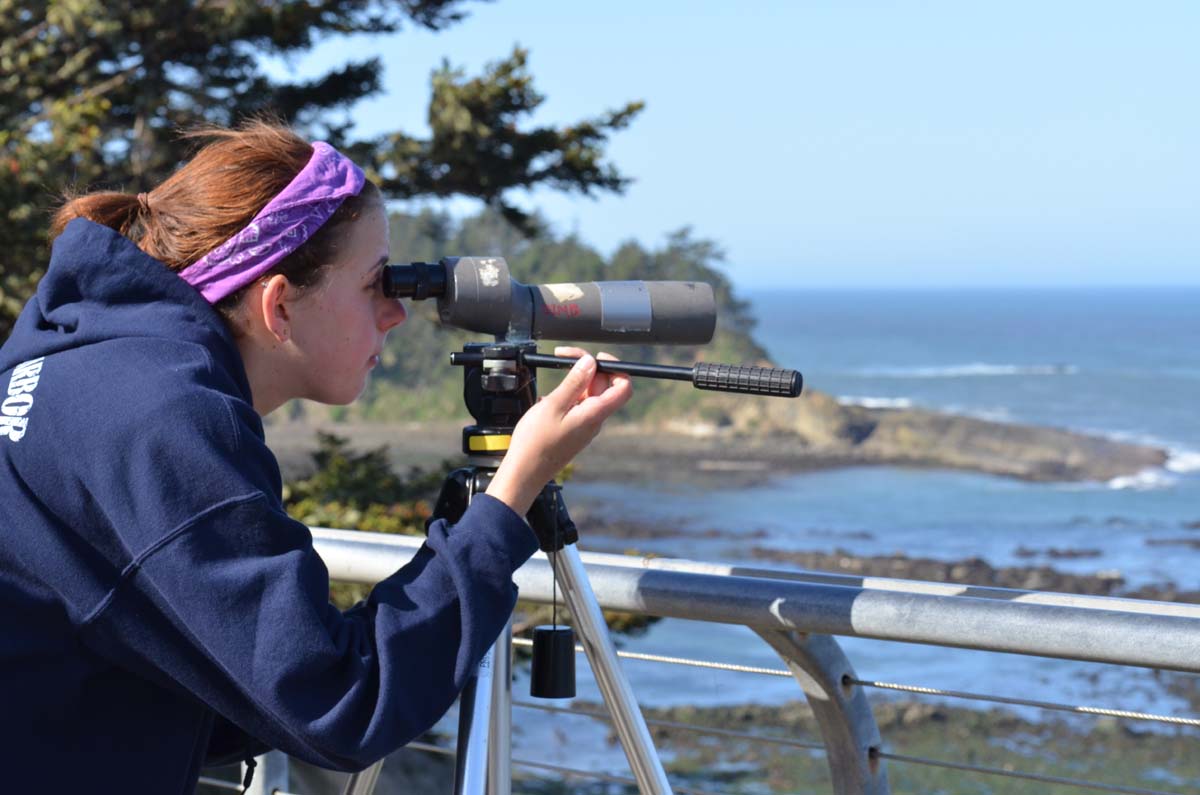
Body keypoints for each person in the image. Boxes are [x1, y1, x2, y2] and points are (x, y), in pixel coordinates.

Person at [0, 121, 632, 793]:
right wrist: (512, 496)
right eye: (373, 283)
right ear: (278, 305)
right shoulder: (164, 421)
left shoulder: (73, 355)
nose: (397, 312)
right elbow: (342, 704)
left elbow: (209, 662)